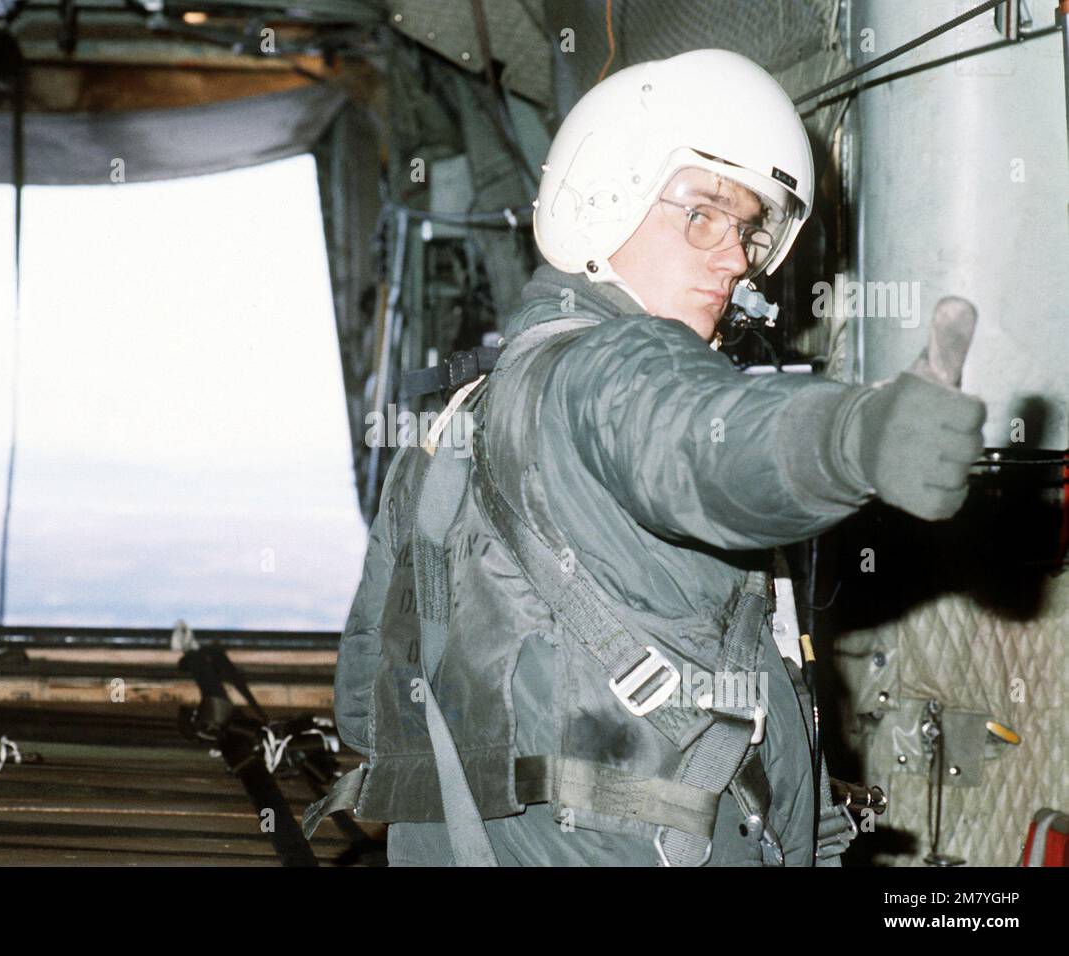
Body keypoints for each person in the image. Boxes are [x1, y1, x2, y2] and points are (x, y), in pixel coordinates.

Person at [311, 49, 986, 866]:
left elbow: (365, 709)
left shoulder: (457, 419)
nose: (735, 258)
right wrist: (854, 438)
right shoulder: (610, 371)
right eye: (701, 215)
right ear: (603, 197)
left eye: (747, 230)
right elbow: (702, 439)